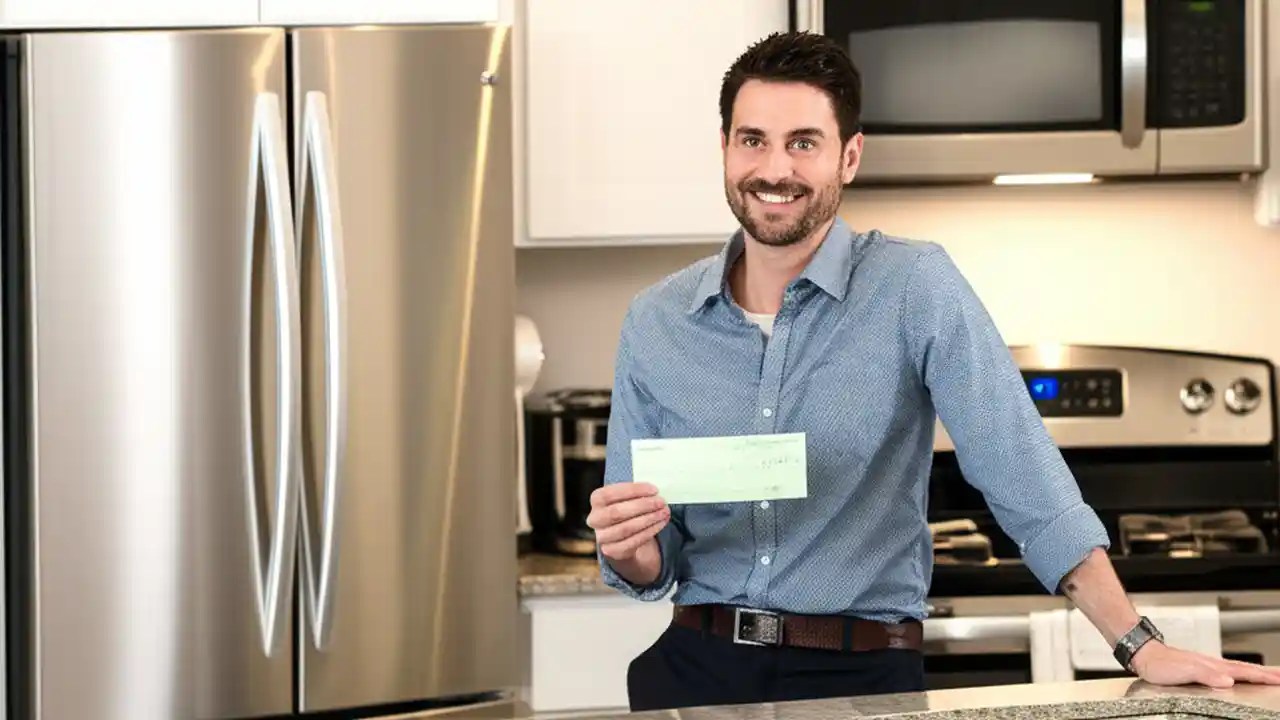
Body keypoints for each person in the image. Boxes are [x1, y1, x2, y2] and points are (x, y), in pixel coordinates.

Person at [587, 30, 1280, 713]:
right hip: (693, 673)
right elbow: (649, 556)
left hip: (858, 681)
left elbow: (1022, 473)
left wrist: (1137, 643)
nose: (774, 169)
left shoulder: (915, 286)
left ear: (849, 157)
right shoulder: (656, 321)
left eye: (803, 143)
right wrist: (630, 550)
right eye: (752, 140)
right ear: (724, 147)